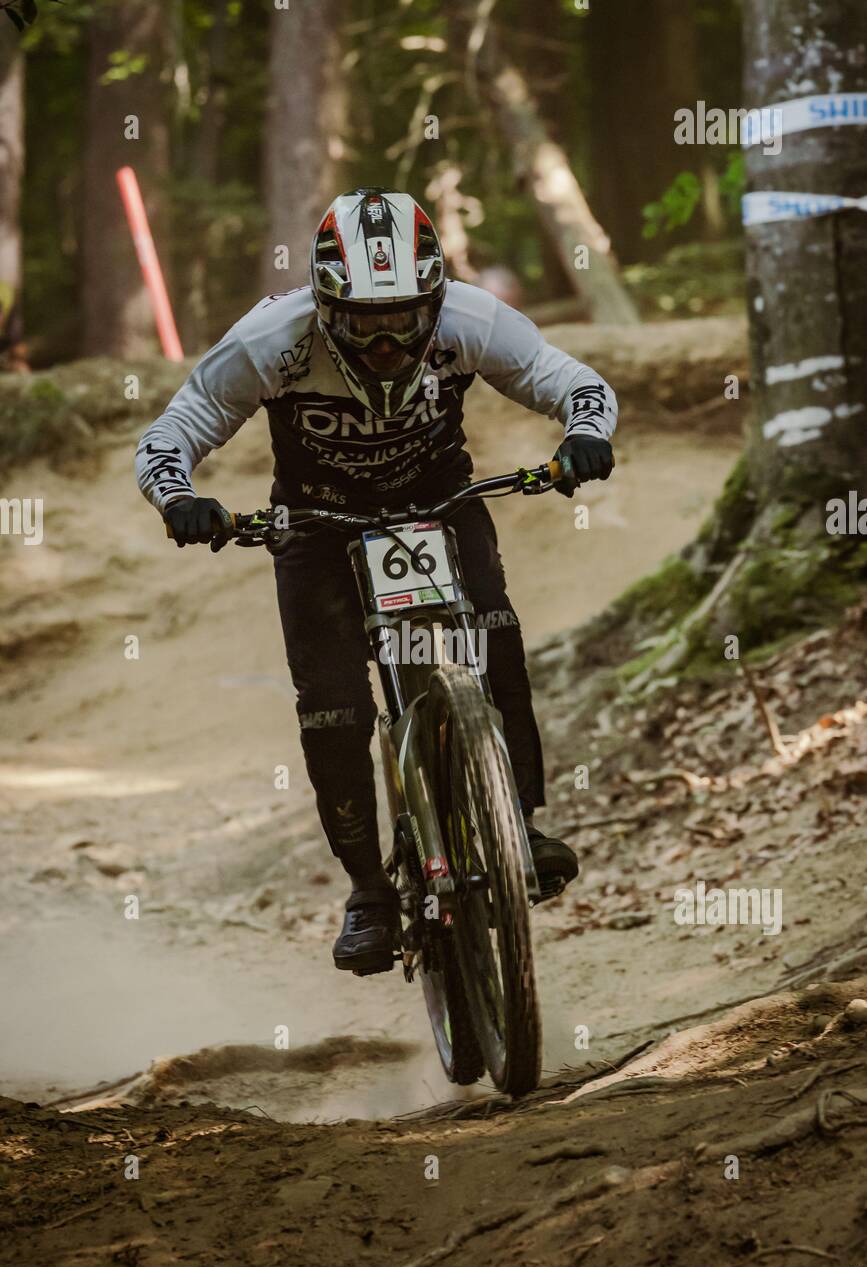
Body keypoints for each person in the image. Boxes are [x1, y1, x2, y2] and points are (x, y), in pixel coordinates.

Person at [135, 188, 618, 975]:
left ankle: (517, 824)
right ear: (325, 304)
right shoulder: (268, 340)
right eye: (362, 320)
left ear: (432, 298)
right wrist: (181, 499)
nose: (386, 340)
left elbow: (576, 384)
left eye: (401, 317)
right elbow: (170, 434)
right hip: (317, 523)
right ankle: (368, 892)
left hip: (439, 503)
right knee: (333, 710)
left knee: (495, 644)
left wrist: (585, 435)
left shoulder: (472, 318)